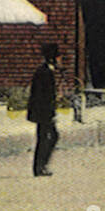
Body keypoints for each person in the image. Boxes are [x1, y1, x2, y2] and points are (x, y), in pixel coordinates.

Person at [27, 42, 61, 178]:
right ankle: (41, 166)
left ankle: (39, 166)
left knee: (44, 137)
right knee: (50, 137)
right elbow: (45, 96)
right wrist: (51, 112)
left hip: (40, 110)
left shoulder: (43, 71)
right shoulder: (46, 73)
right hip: (44, 111)